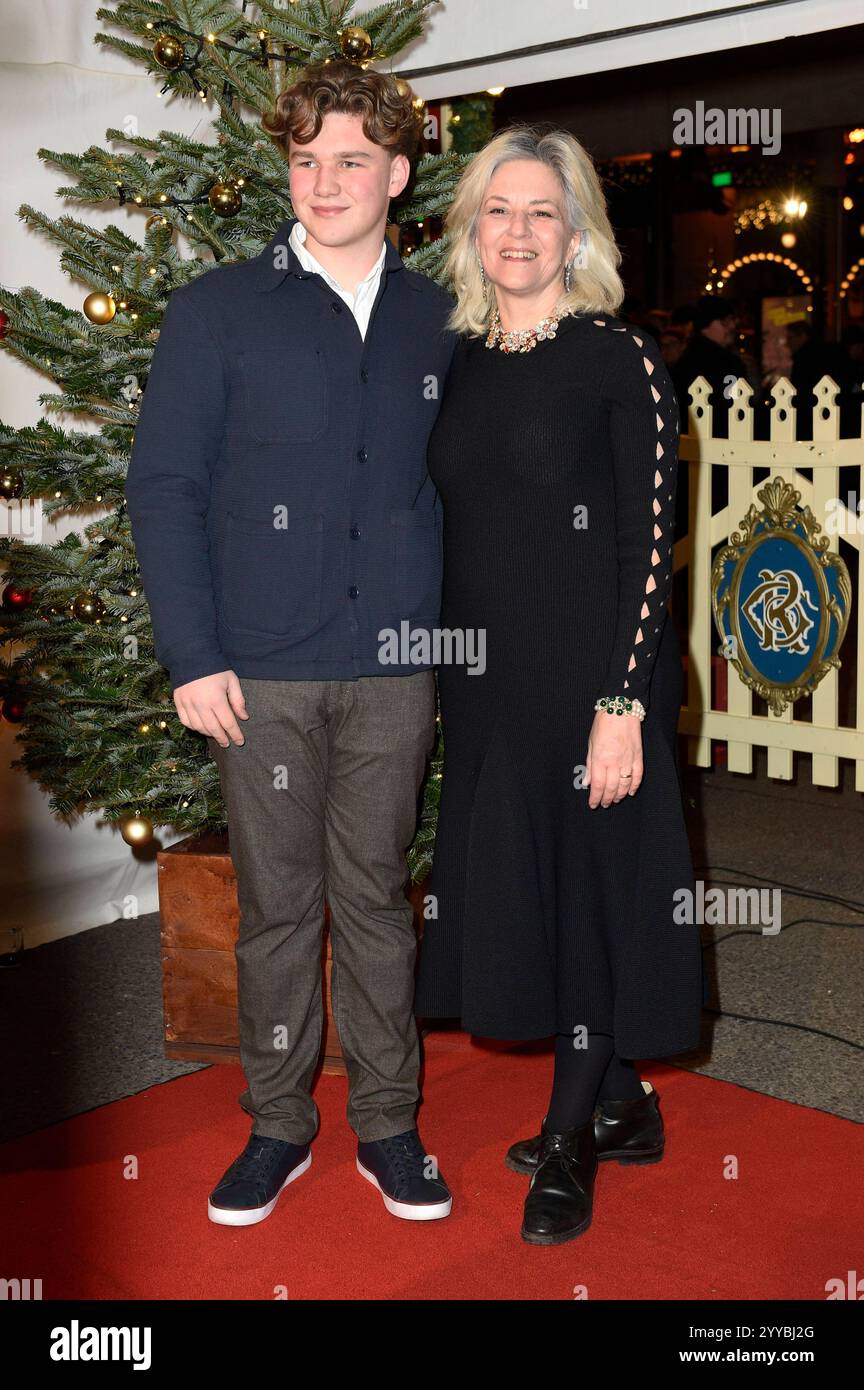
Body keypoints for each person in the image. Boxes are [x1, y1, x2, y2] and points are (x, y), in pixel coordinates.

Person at [126, 61, 456, 1227]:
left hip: (394, 664)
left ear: (398, 174)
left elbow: (471, 486)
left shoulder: (442, 314)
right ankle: (277, 1122)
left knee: (373, 896)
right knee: (276, 904)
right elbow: (165, 486)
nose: (324, 181)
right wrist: (191, 652)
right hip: (255, 667)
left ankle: (388, 1122)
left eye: (351, 159)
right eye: (306, 159)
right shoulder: (218, 307)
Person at [413, 124, 704, 1246]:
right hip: (487, 691)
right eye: (499, 208)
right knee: (527, 902)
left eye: (542, 211)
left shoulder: (617, 355)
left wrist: (626, 700)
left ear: (575, 231)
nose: (519, 230)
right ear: (470, 228)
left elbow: (651, 540)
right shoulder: (459, 362)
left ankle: (574, 1133)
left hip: (591, 684)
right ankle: (624, 1101)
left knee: (589, 906)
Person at [671, 294, 745, 435]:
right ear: (706, 325)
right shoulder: (725, 361)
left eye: (732, 320)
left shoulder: (688, 356)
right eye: (725, 321)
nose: (732, 326)